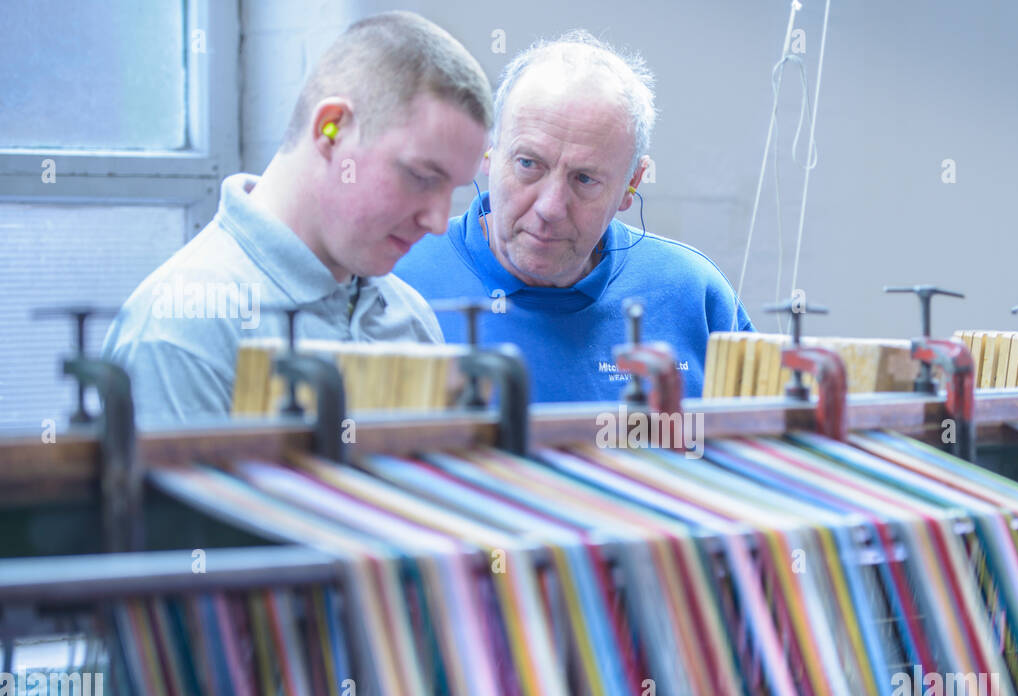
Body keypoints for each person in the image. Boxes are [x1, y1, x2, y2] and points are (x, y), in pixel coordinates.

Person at [102, 12, 493, 423]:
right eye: (420, 176)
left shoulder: (409, 318)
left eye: (453, 190)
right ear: (332, 129)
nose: (436, 222)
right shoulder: (181, 329)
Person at [393, 30, 754, 404]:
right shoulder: (395, 278)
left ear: (632, 184)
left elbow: (767, 447)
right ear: (488, 152)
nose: (550, 207)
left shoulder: (692, 294)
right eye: (529, 164)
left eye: (584, 179)